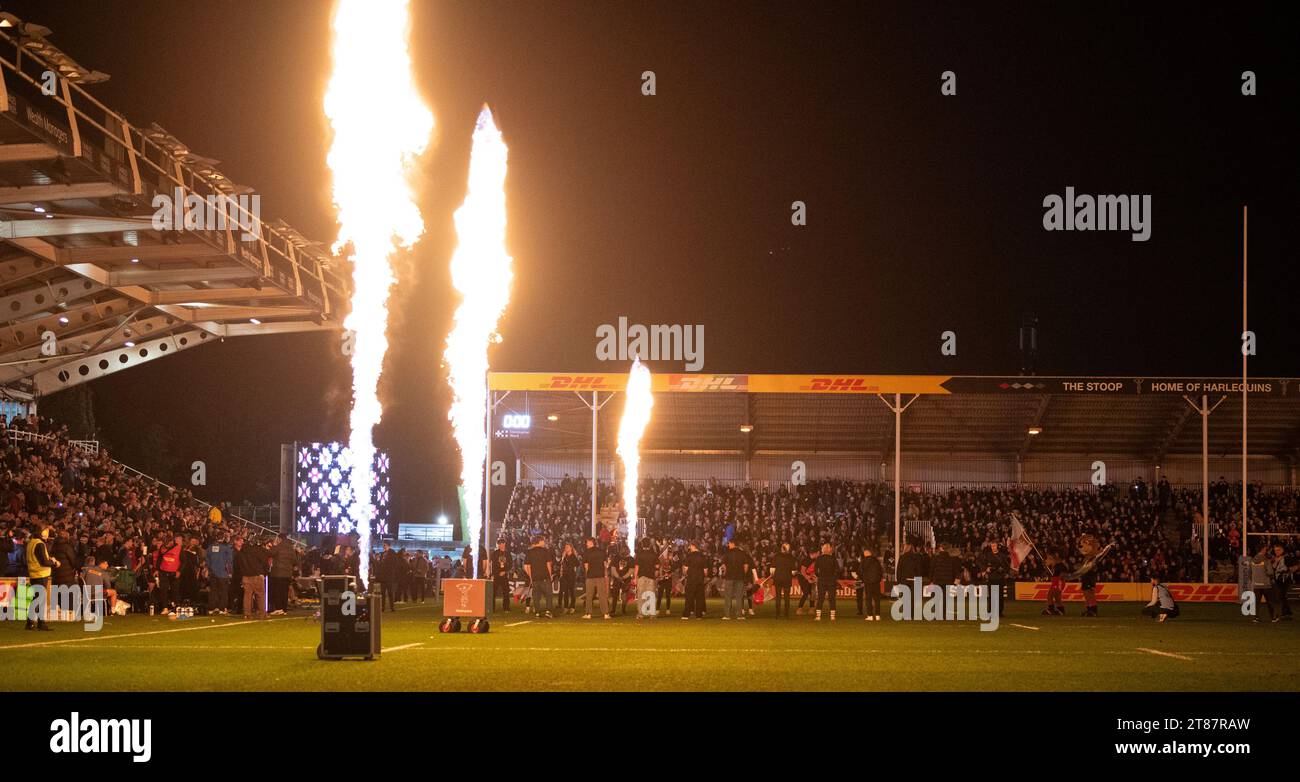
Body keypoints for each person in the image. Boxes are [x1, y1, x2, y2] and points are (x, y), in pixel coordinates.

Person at [24, 526, 57, 630]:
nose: (48, 534)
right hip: (41, 574)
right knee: (40, 600)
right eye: (46, 531)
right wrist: (54, 562)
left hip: (34, 574)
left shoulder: (31, 542)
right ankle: (41, 623)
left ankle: (30, 623)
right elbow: (44, 562)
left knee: (36, 599)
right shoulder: (39, 544)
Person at [235, 536, 268, 620]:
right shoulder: (257, 550)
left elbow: (237, 565)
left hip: (245, 576)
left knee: (247, 595)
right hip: (257, 575)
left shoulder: (241, 552)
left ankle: (247, 614)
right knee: (260, 595)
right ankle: (262, 613)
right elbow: (264, 561)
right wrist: (265, 573)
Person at [523, 535, 555, 618]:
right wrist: (550, 575)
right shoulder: (545, 551)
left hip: (535, 578)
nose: (544, 542)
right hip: (545, 577)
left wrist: (531, 577)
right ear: (539, 541)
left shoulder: (529, 552)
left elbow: (526, 566)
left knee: (536, 596)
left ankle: (537, 612)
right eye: (543, 540)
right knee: (548, 595)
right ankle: (548, 611)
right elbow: (548, 564)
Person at [721, 537, 751, 620]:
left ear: (732, 543)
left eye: (729, 543)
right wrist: (742, 573)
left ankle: (727, 615)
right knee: (739, 596)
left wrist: (725, 572)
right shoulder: (742, 553)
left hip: (729, 577)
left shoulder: (727, 553)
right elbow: (746, 566)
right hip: (739, 577)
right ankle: (739, 615)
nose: (728, 545)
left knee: (728, 596)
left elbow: (724, 565)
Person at [581, 537, 610, 619]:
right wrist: (605, 575)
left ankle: (588, 614)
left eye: (587, 542)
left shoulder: (586, 552)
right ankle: (606, 614)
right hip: (600, 576)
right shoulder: (602, 552)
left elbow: (586, 566)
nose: (586, 544)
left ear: (591, 542)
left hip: (591, 576)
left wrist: (587, 575)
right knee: (602, 595)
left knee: (589, 596)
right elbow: (605, 565)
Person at [268, 535, 297, 614]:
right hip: (287, 574)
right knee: (285, 592)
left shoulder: (277, 547)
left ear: (279, 539)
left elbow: (270, 553)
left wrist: (272, 546)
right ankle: (284, 609)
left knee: (278, 592)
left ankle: (278, 608)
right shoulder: (291, 548)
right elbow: (295, 561)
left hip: (278, 573)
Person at [205, 533, 233, 615]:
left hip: (213, 573)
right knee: (223, 591)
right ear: (224, 538)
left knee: (213, 591)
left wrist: (211, 569)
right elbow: (229, 562)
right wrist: (230, 572)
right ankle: (222, 608)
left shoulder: (210, 548)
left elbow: (207, 561)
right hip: (223, 573)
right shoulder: (226, 548)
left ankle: (212, 608)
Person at [770, 542, 797, 618]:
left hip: (778, 578)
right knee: (787, 597)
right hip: (787, 578)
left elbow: (772, 570)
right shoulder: (791, 557)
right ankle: (786, 614)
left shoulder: (776, 556)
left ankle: (777, 614)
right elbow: (793, 571)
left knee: (778, 597)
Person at [682, 541, 708, 619]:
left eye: (690, 546)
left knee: (689, 597)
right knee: (699, 597)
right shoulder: (703, 556)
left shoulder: (689, 556)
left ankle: (686, 614)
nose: (689, 547)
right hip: (700, 579)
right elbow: (705, 570)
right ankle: (698, 615)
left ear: (693, 546)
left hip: (691, 579)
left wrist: (686, 573)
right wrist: (703, 576)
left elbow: (685, 569)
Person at [634, 538, 658, 618]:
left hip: (641, 576)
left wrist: (635, 577)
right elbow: (657, 566)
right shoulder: (653, 554)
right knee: (651, 595)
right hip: (651, 577)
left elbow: (637, 567)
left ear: (642, 545)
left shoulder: (639, 555)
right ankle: (652, 614)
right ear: (650, 545)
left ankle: (641, 614)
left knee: (641, 596)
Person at [814, 542, 839, 621]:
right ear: (829, 549)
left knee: (820, 598)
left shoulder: (819, 558)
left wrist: (819, 576)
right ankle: (832, 616)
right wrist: (834, 577)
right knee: (832, 598)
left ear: (823, 550)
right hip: (831, 580)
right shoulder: (833, 558)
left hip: (821, 580)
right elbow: (838, 569)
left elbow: (815, 570)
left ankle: (818, 616)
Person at [859, 544, 883, 621]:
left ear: (866, 552)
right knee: (877, 599)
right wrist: (878, 579)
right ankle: (878, 615)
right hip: (876, 582)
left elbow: (860, 572)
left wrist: (863, 579)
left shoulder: (863, 561)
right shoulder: (876, 561)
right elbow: (881, 571)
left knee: (868, 599)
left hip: (868, 583)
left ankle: (870, 615)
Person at [378, 540, 401, 612]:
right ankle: (382, 607)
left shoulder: (392, 552)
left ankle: (392, 607)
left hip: (389, 576)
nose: (383, 546)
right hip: (383, 577)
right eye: (383, 545)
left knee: (390, 592)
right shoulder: (382, 554)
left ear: (388, 545)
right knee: (382, 593)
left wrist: (392, 571)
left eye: (384, 545)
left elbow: (395, 563)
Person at [558, 542, 580, 614]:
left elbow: (577, 564)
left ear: (571, 548)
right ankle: (566, 607)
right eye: (565, 547)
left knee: (572, 592)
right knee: (565, 592)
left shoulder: (573, 556)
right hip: (564, 576)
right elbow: (561, 565)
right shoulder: (564, 556)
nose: (566, 548)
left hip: (571, 576)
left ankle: (572, 607)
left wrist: (575, 573)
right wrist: (563, 558)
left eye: (567, 547)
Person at [491, 540, 512, 612]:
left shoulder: (507, 553)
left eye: (503, 544)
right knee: (493, 592)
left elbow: (511, 564)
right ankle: (492, 607)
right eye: (500, 544)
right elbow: (493, 565)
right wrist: (494, 574)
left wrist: (505, 571)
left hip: (504, 576)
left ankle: (506, 608)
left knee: (506, 592)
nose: (502, 545)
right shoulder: (495, 553)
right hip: (496, 575)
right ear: (498, 545)